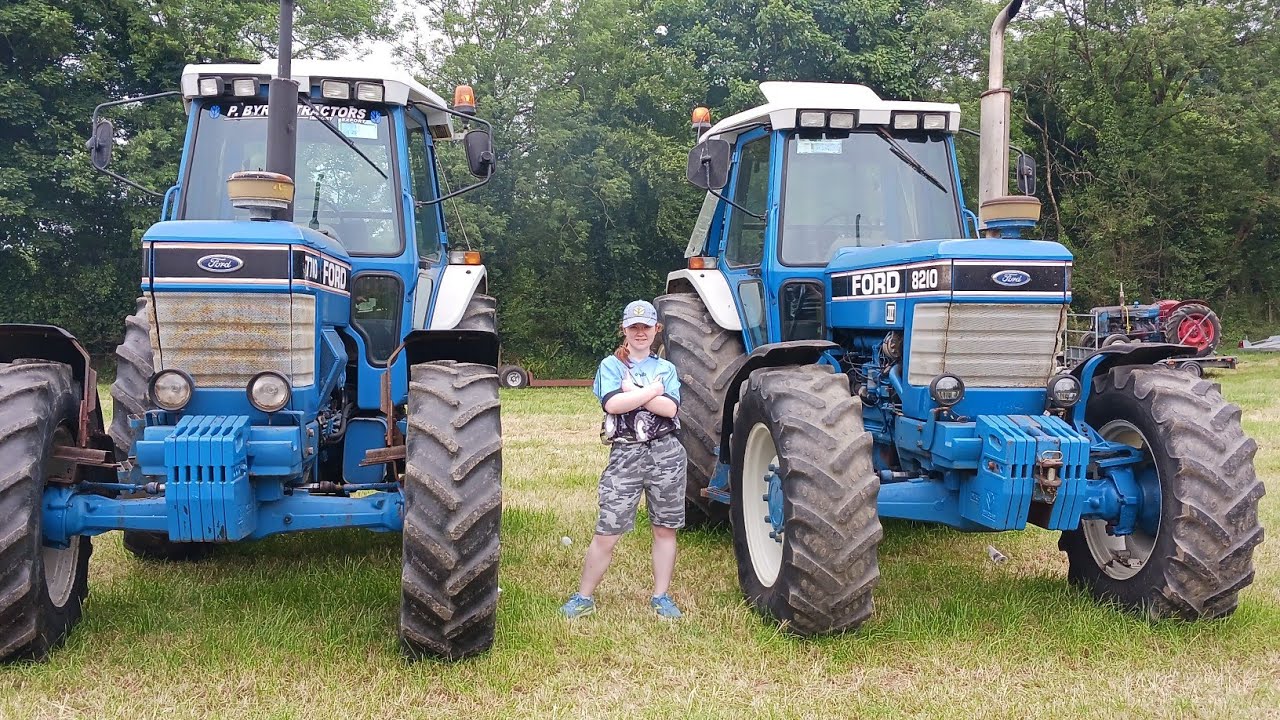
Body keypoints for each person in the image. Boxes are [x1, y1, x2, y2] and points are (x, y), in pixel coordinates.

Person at [561, 300, 688, 620]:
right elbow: (613, 405)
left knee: (665, 528)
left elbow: (671, 409)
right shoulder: (611, 366)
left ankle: (661, 596)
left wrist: (633, 391)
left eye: (646, 327)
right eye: (634, 327)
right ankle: (583, 597)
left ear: (656, 329)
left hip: (666, 454)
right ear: (624, 330)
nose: (640, 333)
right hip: (625, 455)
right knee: (608, 529)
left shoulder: (667, 369)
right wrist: (652, 391)